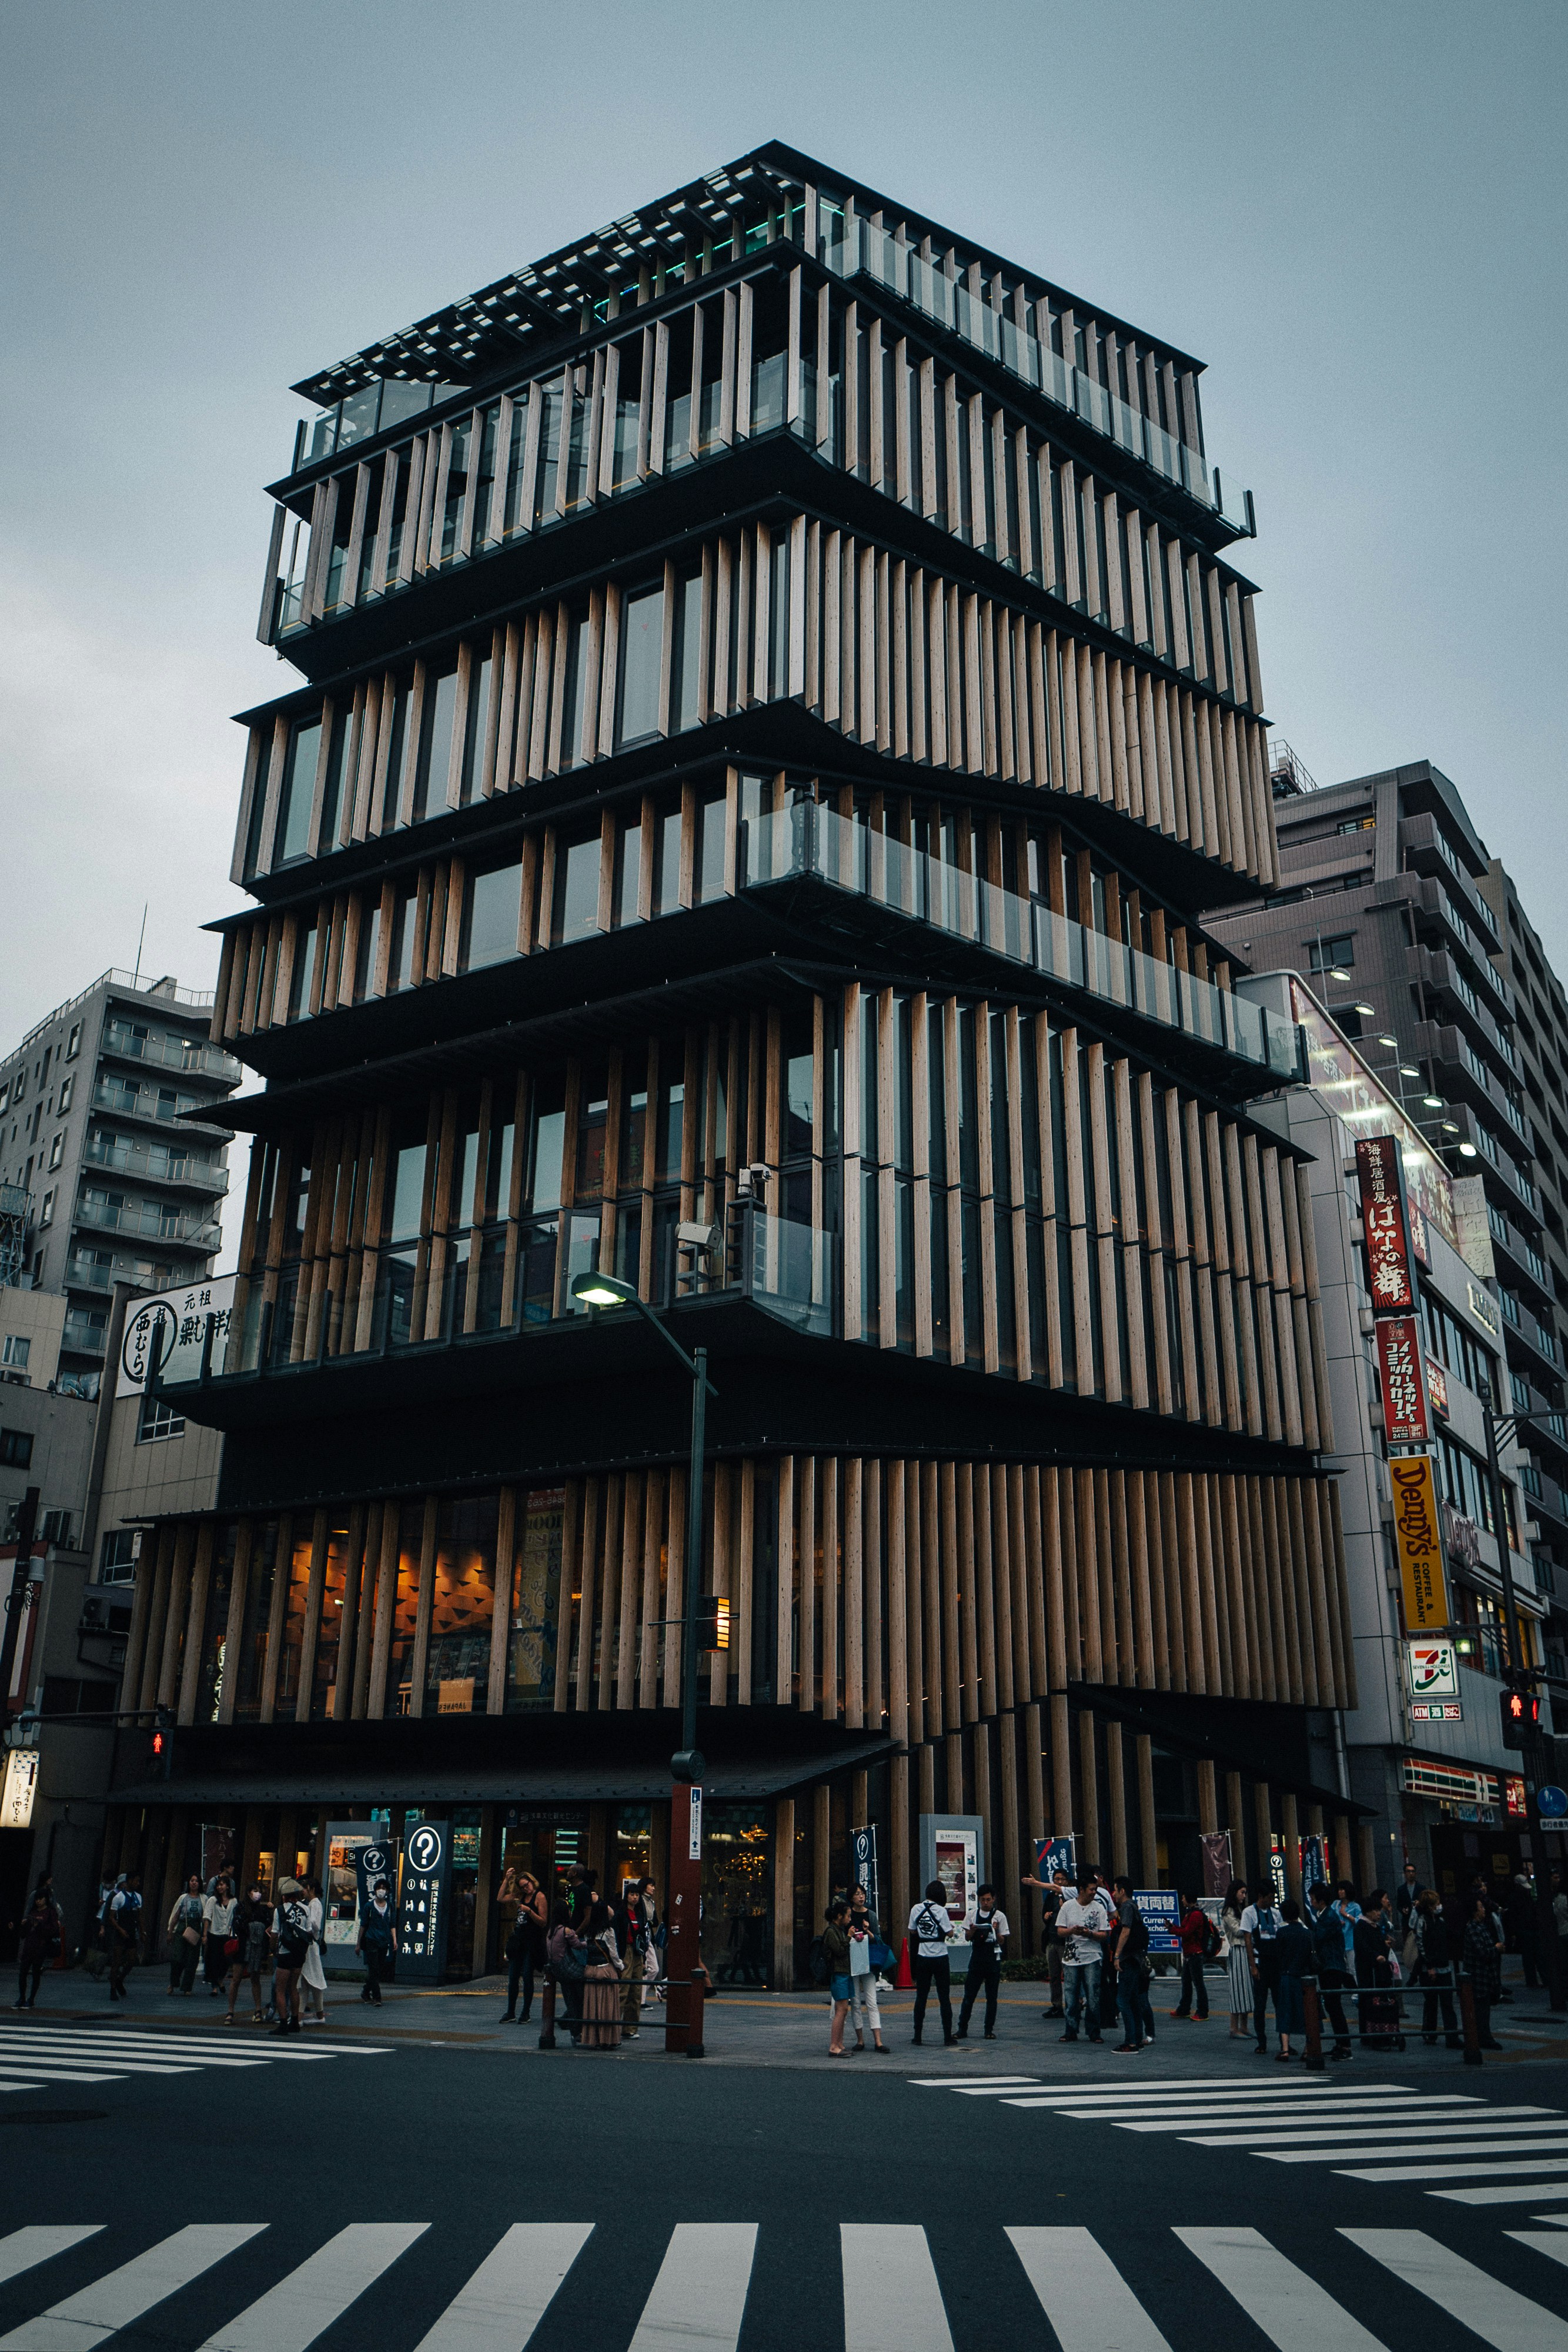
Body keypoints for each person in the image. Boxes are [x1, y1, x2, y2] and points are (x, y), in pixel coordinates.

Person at [1056, 1869, 1108, 2046]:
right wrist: (1072, 1931)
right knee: (1070, 1996)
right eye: (1092, 1889)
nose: (1095, 1892)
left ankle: (1094, 2031)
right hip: (1071, 1958)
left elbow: (1104, 1934)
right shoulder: (1068, 1906)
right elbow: (1060, 1931)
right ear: (1082, 1889)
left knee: (1093, 1996)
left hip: (1092, 1957)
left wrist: (1090, 1934)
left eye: (1095, 1889)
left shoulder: (1099, 1908)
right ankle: (1071, 2030)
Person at [1306, 1881, 1355, 2059]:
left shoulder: (1328, 1917)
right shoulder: (1325, 1915)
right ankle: (1340, 2044)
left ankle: (1345, 2046)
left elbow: (1319, 1937)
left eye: (1312, 1898)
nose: (1310, 1901)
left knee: (1334, 2006)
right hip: (1329, 1965)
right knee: (1333, 2007)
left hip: (1332, 1966)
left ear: (1320, 1900)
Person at [907, 1879, 955, 2046]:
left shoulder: (916, 1908)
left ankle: (917, 2036)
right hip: (940, 1956)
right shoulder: (941, 1911)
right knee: (944, 1997)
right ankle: (947, 2036)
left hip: (923, 1955)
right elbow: (949, 1934)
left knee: (921, 1997)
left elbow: (912, 1930)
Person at [957, 1885, 1008, 2041]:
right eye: (982, 1900)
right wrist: (972, 1930)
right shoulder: (972, 1915)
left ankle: (989, 2030)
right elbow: (967, 1937)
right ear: (978, 1900)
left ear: (993, 1899)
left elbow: (1002, 1941)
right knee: (969, 1996)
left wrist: (997, 1930)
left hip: (993, 1959)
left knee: (992, 1998)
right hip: (977, 1959)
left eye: (988, 1900)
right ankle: (962, 2029)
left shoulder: (999, 1916)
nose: (985, 1903)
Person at [1412, 1886, 1462, 2049]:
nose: (1439, 1905)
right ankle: (1429, 2032)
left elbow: (1450, 1936)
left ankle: (1451, 2036)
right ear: (1430, 1906)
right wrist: (1429, 1966)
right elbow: (1421, 1945)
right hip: (1430, 1969)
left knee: (1447, 2003)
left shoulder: (1440, 1921)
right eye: (1436, 1903)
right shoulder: (1423, 1921)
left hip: (1443, 1966)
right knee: (1432, 2003)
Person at [1111, 1876, 1155, 2053]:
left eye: (1115, 1890)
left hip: (1129, 1959)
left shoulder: (1127, 1907)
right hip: (1137, 1959)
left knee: (1123, 2001)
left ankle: (1130, 2042)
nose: (1113, 1894)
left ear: (1122, 1891)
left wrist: (1117, 1955)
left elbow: (1126, 1931)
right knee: (1134, 2000)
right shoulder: (1133, 1906)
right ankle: (1137, 2038)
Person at [499, 1868, 548, 2024]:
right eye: (522, 1887)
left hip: (532, 1942)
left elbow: (543, 1922)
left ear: (532, 1882)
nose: (526, 1889)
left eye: (527, 1885)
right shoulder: (520, 1896)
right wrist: (507, 1880)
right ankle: (510, 2012)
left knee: (527, 1976)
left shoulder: (539, 1897)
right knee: (513, 1976)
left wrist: (529, 1912)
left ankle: (526, 2012)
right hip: (518, 1941)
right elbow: (500, 1898)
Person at [1240, 1884, 1283, 2053]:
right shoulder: (1249, 1913)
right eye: (1270, 1897)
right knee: (1260, 2006)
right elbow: (1248, 1941)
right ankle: (1262, 2041)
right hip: (1260, 1963)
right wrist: (1253, 1966)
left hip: (1275, 1963)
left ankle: (1284, 2042)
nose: (1272, 1900)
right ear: (1261, 1896)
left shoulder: (1276, 1913)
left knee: (1279, 2004)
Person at [1021, 1861, 1068, 2017]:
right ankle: (1056, 2005)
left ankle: (1074, 2004)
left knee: (1068, 1975)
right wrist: (1046, 1916)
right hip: (1051, 1940)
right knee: (1054, 1976)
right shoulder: (1049, 1897)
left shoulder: (1069, 1897)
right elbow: (1044, 1915)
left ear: (1066, 1881)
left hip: (1064, 1942)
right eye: (1056, 1879)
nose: (1059, 1882)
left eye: (1062, 1879)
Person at [577, 1897, 624, 2050]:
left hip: (591, 1970)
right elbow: (614, 1954)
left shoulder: (589, 1932)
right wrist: (621, 1967)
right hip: (605, 1970)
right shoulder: (608, 1931)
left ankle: (594, 2038)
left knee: (593, 2007)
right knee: (608, 2007)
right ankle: (608, 2038)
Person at [847, 1891, 889, 2052]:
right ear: (852, 1898)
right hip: (853, 1961)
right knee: (855, 2002)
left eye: (863, 1894)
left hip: (869, 1961)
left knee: (872, 2001)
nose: (861, 1897)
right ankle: (860, 2040)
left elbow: (877, 1939)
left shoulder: (870, 1915)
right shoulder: (848, 1914)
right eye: (857, 1894)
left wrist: (867, 1931)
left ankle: (878, 2041)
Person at [270, 1876, 312, 2036]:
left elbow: (275, 1934)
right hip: (299, 1953)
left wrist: (273, 1950)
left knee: (280, 1990)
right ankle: (295, 2022)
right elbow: (308, 1932)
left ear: (284, 1896)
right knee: (294, 1988)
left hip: (285, 1952)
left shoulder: (280, 1910)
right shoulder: (305, 1909)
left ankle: (283, 2024)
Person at [1462, 1892, 1504, 2049]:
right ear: (1474, 1911)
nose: (1484, 1909)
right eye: (1480, 1907)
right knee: (1480, 2011)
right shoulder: (1473, 1928)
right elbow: (1483, 1952)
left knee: (1484, 2010)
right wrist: (1496, 1948)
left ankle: (1483, 2036)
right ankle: (1483, 2038)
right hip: (1478, 1977)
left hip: (1485, 1977)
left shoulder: (1481, 1926)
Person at [224, 1883, 270, 2023]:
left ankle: (258, 2010)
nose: (258, 1894)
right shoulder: (241, 1907)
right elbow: (238, 1925)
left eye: (259, 1891)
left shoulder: (262, 1909)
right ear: (249, 1892)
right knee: (236, 1979)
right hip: (243, 1946)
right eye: (255, 1891)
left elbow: (268, 1924)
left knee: (255, 1979)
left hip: (256, 1947)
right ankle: (230, 2011)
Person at [614, 1878, 654, 2042]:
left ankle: (630, 2028)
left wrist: (644, 1957)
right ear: (627, 1896)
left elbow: (643, 1935)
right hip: (626, 1952)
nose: (635, 1898)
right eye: (632, 1894)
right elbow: (616, 1935)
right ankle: (615, 2026)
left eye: (637, 1894)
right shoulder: (621, 1914)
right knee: (623, 1990)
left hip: (638, 1953)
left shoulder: (640, 1913)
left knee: (636, 1992)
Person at [1273, 1897, 1311, 2061]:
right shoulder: (1306, 1933)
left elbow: (1278, 1955)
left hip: (1287, 1976)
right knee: (1308, 2013)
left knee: (1285, 2012)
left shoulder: (1282, 1932)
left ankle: (1285, 2050)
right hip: (1304, 1978)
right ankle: (1308, 2049)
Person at [14, 1889, 61, 2009]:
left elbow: (54, 1930)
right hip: (29, 1945)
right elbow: (23, 1933)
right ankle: (22, 1997)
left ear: (45, 1899)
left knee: (36, 1973)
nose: (38, 1901)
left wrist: (39, 1926)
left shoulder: (50, 1913)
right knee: (23, 1972)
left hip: (41, 1946)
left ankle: (31, 1999)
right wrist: (24, 1925)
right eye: (37, 1899)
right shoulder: (33, 1912)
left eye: (41, 1899)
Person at [546, 1899, 585, 2042]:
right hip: (570, 1970)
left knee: (570, 2000)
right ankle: (578, 2028)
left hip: (558, 1972)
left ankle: (574, 2031)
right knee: (580, 1999)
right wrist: (590, 1943)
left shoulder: (551, 1930)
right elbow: (578, 1945)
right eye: (569, 1910)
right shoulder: (565, 1930)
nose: (571, 1912)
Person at [356, 1875, 396, 2007]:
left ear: (388, 1891)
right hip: (371, 1939)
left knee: (378, 1969)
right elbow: (363, 1925)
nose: (381, 1890)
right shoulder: (369, 1906)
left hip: (384, 1941)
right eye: (379, 1888)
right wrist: (358, 1943)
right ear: (375, 1890)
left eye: (384, 1888)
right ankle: (377, 1997)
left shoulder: (390, 1907)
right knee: (374, 1968)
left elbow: (392, 1924)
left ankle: (366, 1991)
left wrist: (395, 1940)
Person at [1220, 1882, 1252, 2039]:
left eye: (1245, 1893)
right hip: (1238, 1950)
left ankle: (1244, 2027)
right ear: (1235, 1893)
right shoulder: (1228, 1911)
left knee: (1246, 1989)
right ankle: (1234, 2027)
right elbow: (1238, 1931)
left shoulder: (1242, 1910)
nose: (1244, 1896)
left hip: (1246, 1950)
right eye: (1242, 1892)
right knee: (1238, 1990)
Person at [823, 1897, 854, 2057]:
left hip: (845, 1972)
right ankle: (834, 2046)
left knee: (844, 2010)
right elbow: (840, 1951)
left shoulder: (839, 1930)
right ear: (839, 1916)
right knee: (840, 2010)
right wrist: (849, 1937)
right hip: (838, 1973)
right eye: (848, 1916)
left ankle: (840, 2044)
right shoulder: (830, 1931)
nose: (849, 1919)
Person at [1172, 1895, 1210, 2021]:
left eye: (1184, 1898)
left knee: (1198, 1984)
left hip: (1195, 1954)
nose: (1182, 1900)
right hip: (1189, 1954)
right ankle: (1184, 2009)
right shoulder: (1190, 1914)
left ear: (1189, 1899)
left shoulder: (1195, 1915)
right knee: (1186, 1983)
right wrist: (1173, 1928)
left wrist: (1173, 1930)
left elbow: (1186, 1932)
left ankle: (1203, 2012)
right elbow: (1184, 1929)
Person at [166, 1874, 205, 1996]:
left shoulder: (204, 1899)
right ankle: (173, 1983)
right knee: (177, 1957)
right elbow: (176, 1915)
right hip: (182, 1926)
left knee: (192, 1960)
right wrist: (170, 1931)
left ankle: (187, 1987)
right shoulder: (183, 1898)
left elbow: (206, 1918)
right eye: (192, 1881)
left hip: (196, 1928)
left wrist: (204, 1934)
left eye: (196, 1881)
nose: (194, 1883)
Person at [108, 1873, 142, 2000]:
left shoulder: (138, 1897)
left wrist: (142, 1932)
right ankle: (112, 1989)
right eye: (137, 1881)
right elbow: (111, 1917)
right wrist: (120, 1930)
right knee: (116, 1961)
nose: (138, 1884)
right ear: (130, 1881)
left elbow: (139, 1916)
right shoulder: (118, 1897)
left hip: (132, 1932)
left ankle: (120, 1979)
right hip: (121, 1932)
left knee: (132, 1961)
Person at [202, 1876, 237, 1997]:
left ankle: (221, 1980)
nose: (220, 1887)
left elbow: (235, 1918)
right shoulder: (213, 1900)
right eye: (218, 1885)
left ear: (227, 1886)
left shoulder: (234, 1901)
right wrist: (205, 1934)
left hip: (227, 1935)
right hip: (214, 1934)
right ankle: (215, 1987)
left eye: (222, 1885)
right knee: (214, 1961)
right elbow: (207, 1917)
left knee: (226, 1961)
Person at [300, 1876, 327, 2022]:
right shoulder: (312, 1903)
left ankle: (303, 2016)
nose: (303, 1891)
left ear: (311, 1889)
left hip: (310, 1945)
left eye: (305, 1888)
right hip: (311, 1946)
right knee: (310, 1980)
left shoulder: (314, 1904)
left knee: (308, 1980)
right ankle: (318, 2015)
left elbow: (315, 1924)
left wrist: (306, 1925)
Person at [1509, 1871, 1542, 1991]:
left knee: (1530, 1957)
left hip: (1525, 1929)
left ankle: (1532, 1980)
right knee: (1534, 1956)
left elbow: (1512, 1917)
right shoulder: (1525, 1898)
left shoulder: (1515, 1899)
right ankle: (1535, 1980)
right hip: (1528, 1929)